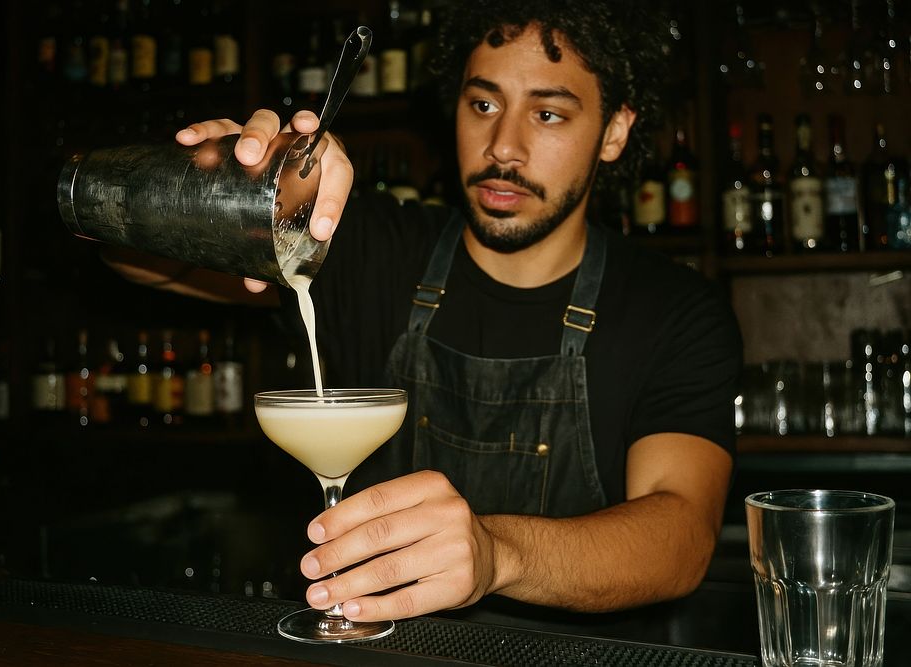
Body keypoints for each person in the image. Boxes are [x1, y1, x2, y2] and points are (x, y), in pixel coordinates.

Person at [106, 0, 742, 632]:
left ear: (614, 132)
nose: (504, 148)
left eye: (547, 114)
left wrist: (496, 555)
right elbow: (129, 257)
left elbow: (680, 538)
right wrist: (205, 186)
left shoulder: (674, 310)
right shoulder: (360, 246)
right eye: (483, 104)